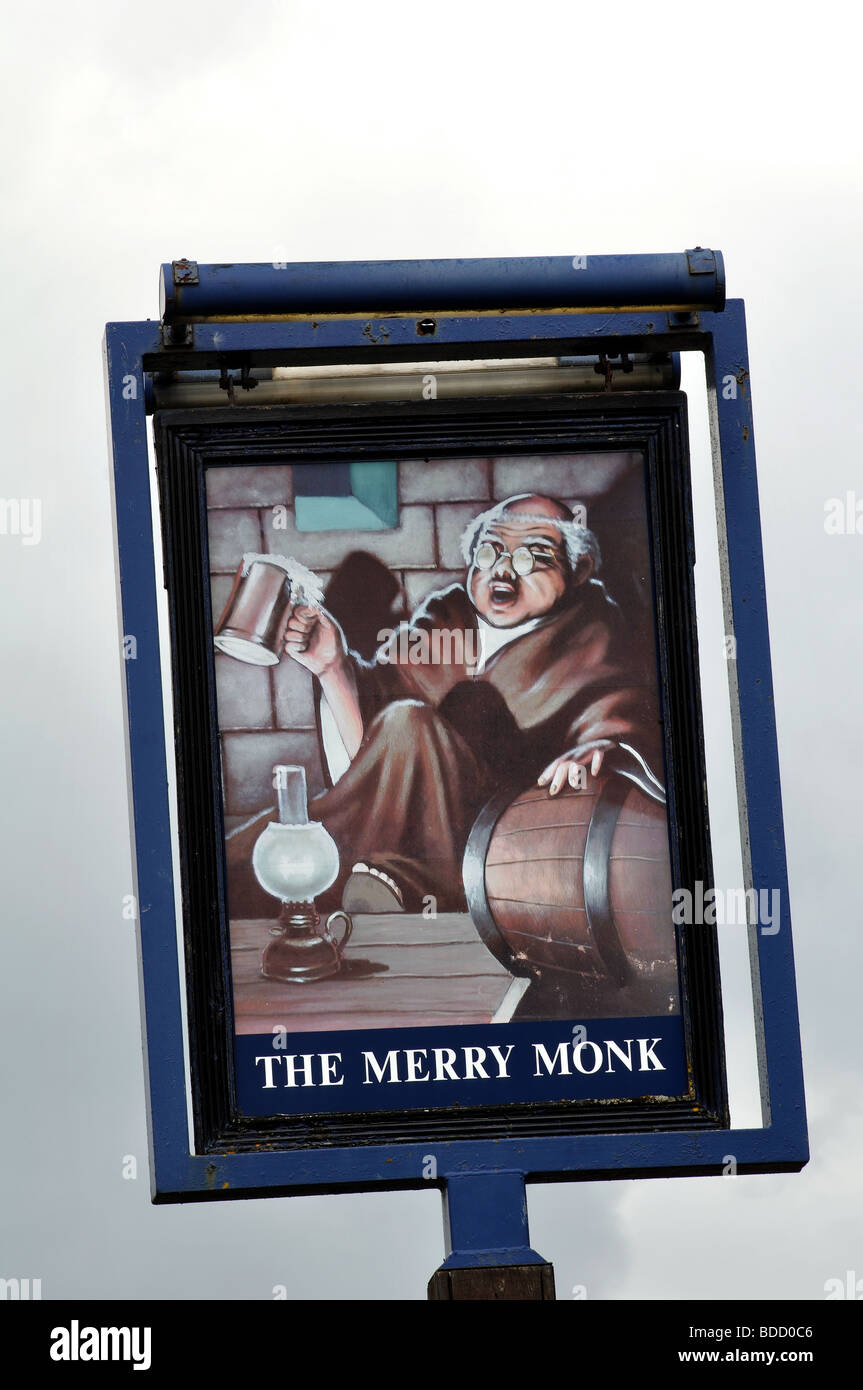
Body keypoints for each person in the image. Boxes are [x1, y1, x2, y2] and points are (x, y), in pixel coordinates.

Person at [265, 492, 665, 913]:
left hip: (509, 846)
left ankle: (393, 878)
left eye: (532, 558)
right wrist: (334, 668)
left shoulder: (596, 633)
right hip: (399, 830)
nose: (504, 572)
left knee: (419, 720)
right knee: (405, 723)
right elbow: (369, 758)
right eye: (490, 553)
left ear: (577, 570)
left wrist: (595, 754)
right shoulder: (446, 616)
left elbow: (618, 720)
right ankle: (392, 875)